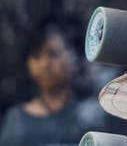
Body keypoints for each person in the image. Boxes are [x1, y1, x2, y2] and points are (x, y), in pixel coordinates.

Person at [0, 17, 116, 146]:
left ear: (75, 57)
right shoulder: (16, 121)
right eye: (36, 55)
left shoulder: (94, 113)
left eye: (53, 54)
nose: (44, 64)